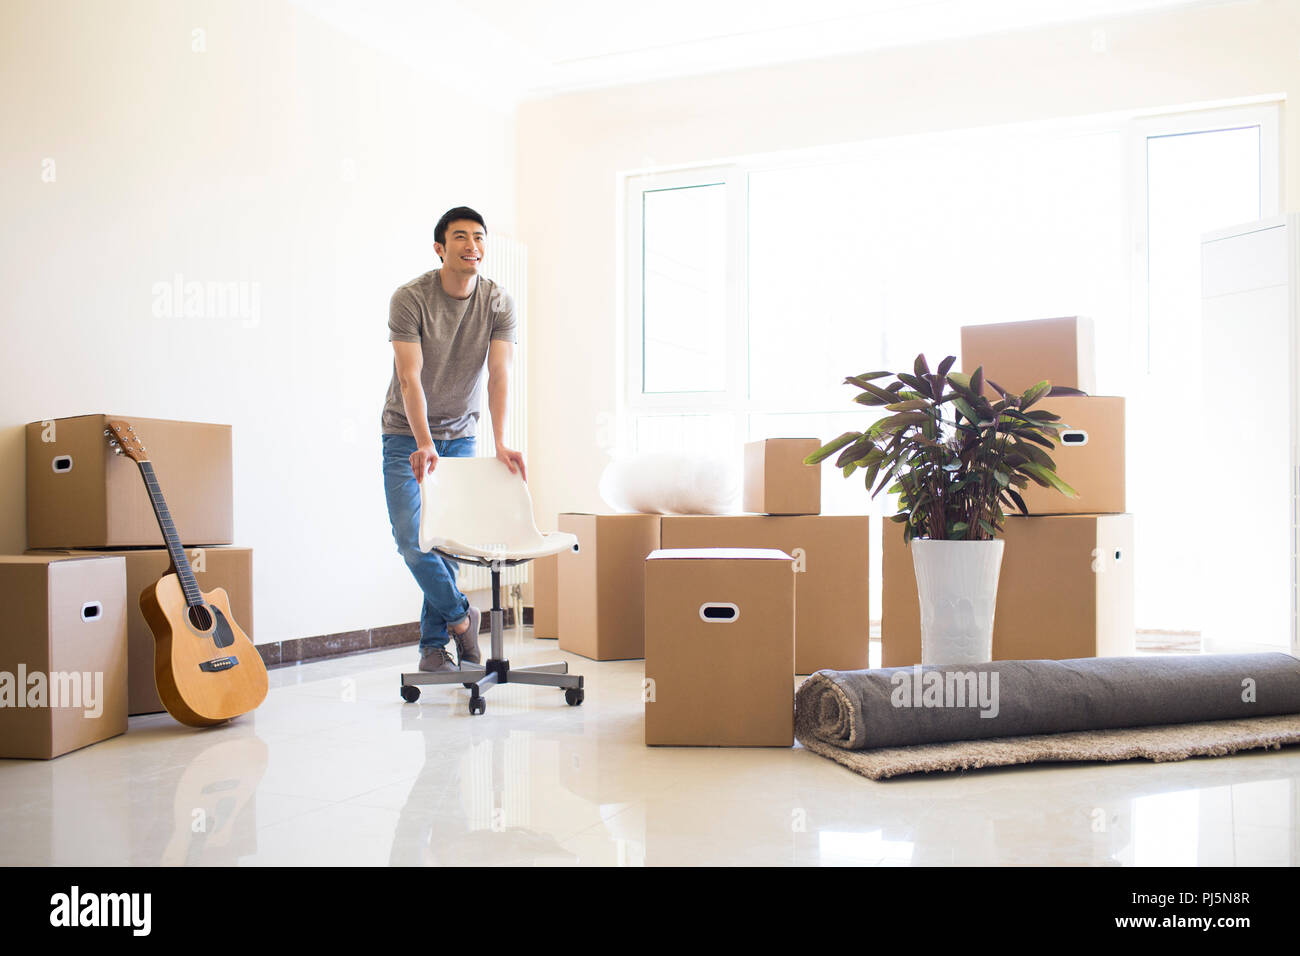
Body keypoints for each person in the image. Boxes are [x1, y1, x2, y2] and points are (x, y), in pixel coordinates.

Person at [381, 206, 527, 674]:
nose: (472, 245)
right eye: (460, 237)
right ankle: (463, 618)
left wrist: (500, 441)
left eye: (479, 237)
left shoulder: (498, 301)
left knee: (445, 541)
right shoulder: (411, 298)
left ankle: (431, 647)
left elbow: (499, 372)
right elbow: (410, 378)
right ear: (440, 248)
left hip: (461, 434)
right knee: (412, 539)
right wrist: (423, 442)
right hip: (406, 432)